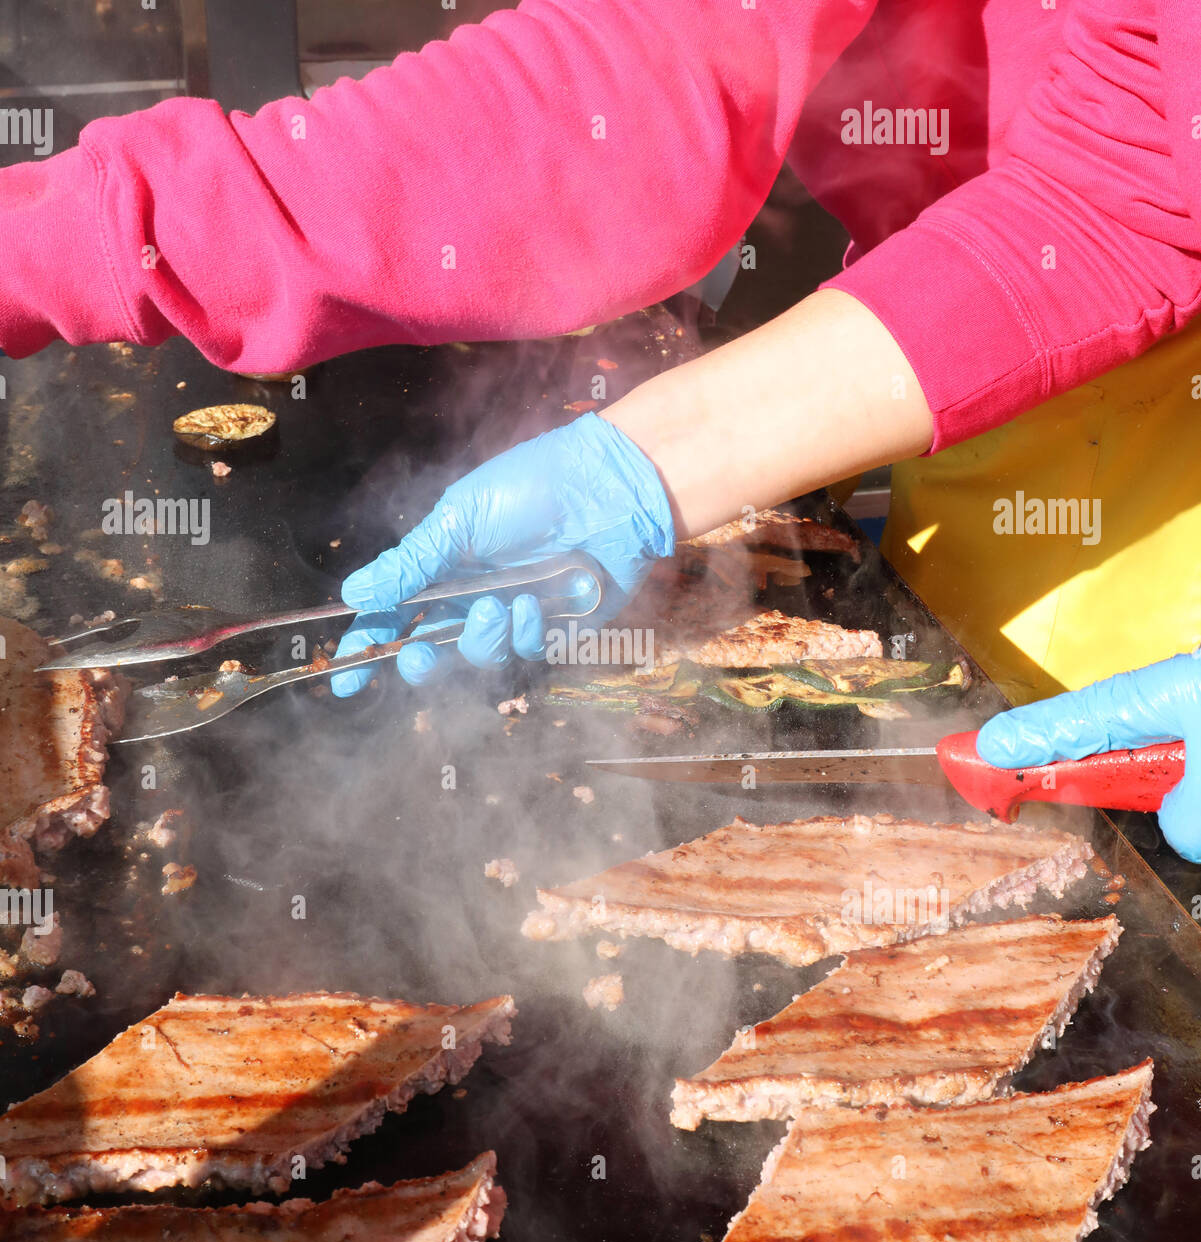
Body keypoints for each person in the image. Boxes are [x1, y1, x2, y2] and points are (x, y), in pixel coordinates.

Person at [0, 1, 1197, 853]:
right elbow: (648, 74)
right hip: (975, 353)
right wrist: (641, 464)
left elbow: (1141, 181)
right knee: (1039, 794)